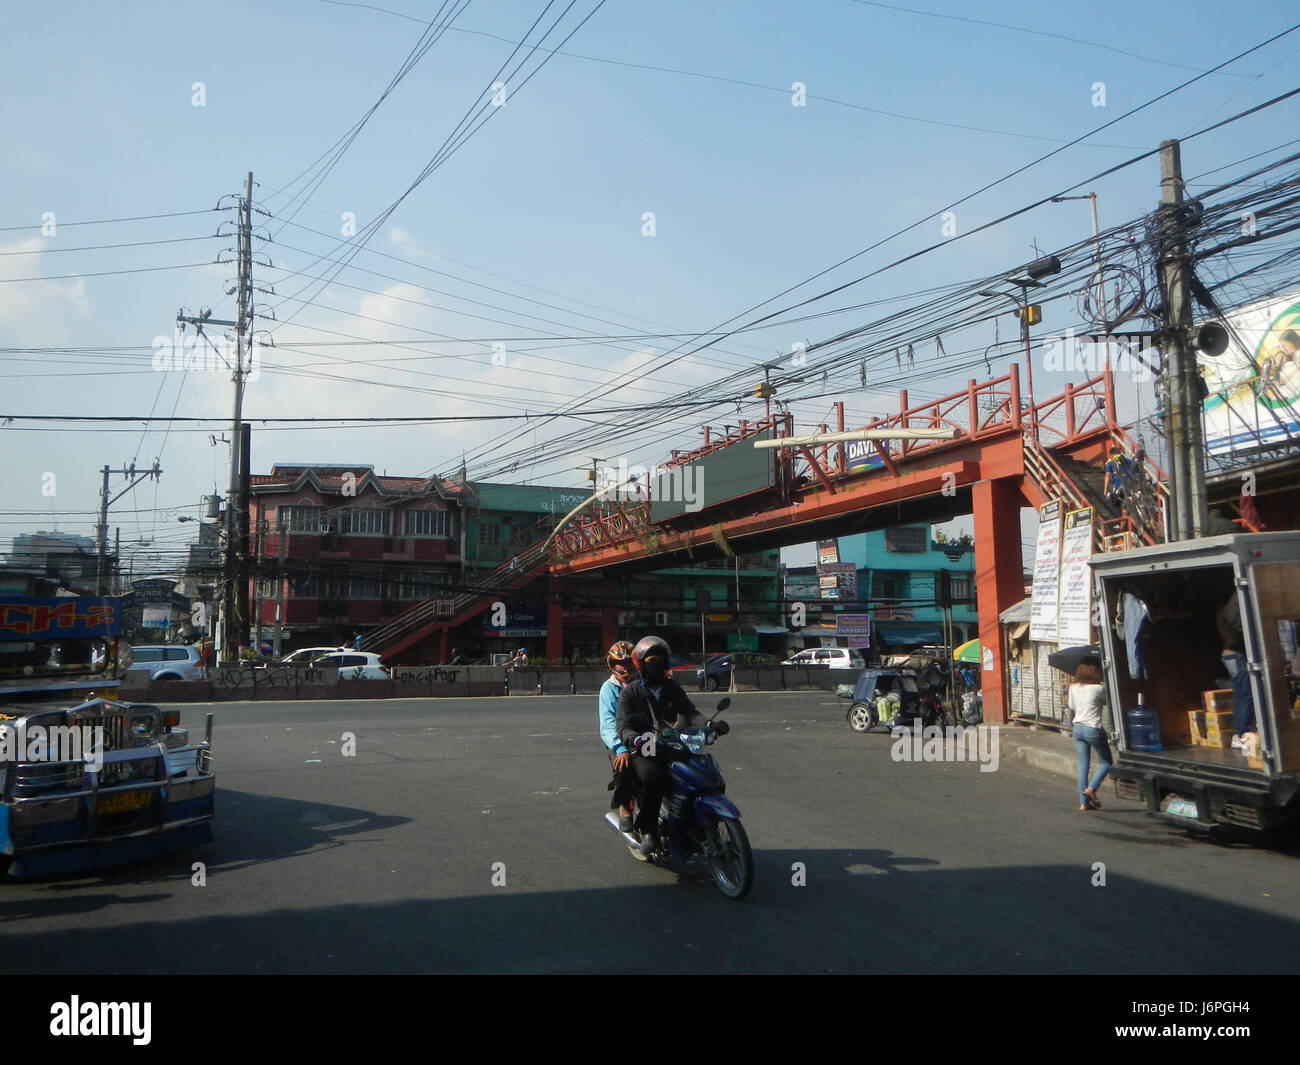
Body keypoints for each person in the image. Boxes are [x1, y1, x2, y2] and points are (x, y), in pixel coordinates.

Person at [615, 635, 729, 854]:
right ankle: (649, 830)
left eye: (660, 659)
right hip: (644, 748)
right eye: (651, 660)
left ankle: (705, 826)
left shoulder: (671, 688)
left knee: (708, 774)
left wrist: (709, 725)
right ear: (640, 663)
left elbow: (690, 712)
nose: (657, 664)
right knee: (654, 778)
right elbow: (623, 727)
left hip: (671, 742)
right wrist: (636, 738)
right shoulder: (630, 692)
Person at [598, 641, 637, 831]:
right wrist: (620, 748)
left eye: (630, 662)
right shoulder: (609, 689)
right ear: (612, 666)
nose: (627, 667)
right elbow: (607, 725)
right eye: (622, 663)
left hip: (643, 736)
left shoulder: (642, 684)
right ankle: (626, 808)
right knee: (623, 766)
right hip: (619, 740)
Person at [1069, 658, 1110, 810]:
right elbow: (1107, 702)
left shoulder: (1073, 687)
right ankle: (1091, 789)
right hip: (1093, 728)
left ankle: (1083, 803)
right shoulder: (1097, 689)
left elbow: (1071, 706)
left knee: (1083, 766)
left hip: (1077, 728)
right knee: (1106, 762)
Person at [1217, 591, 1256, 750]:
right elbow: (1235, 635)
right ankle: (1242, 736)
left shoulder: (1224, 611)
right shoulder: (1238, 604)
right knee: (1244, 693)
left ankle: (1243, 736)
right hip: (1236, 654)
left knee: (1242, 693)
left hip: (1230, 654)